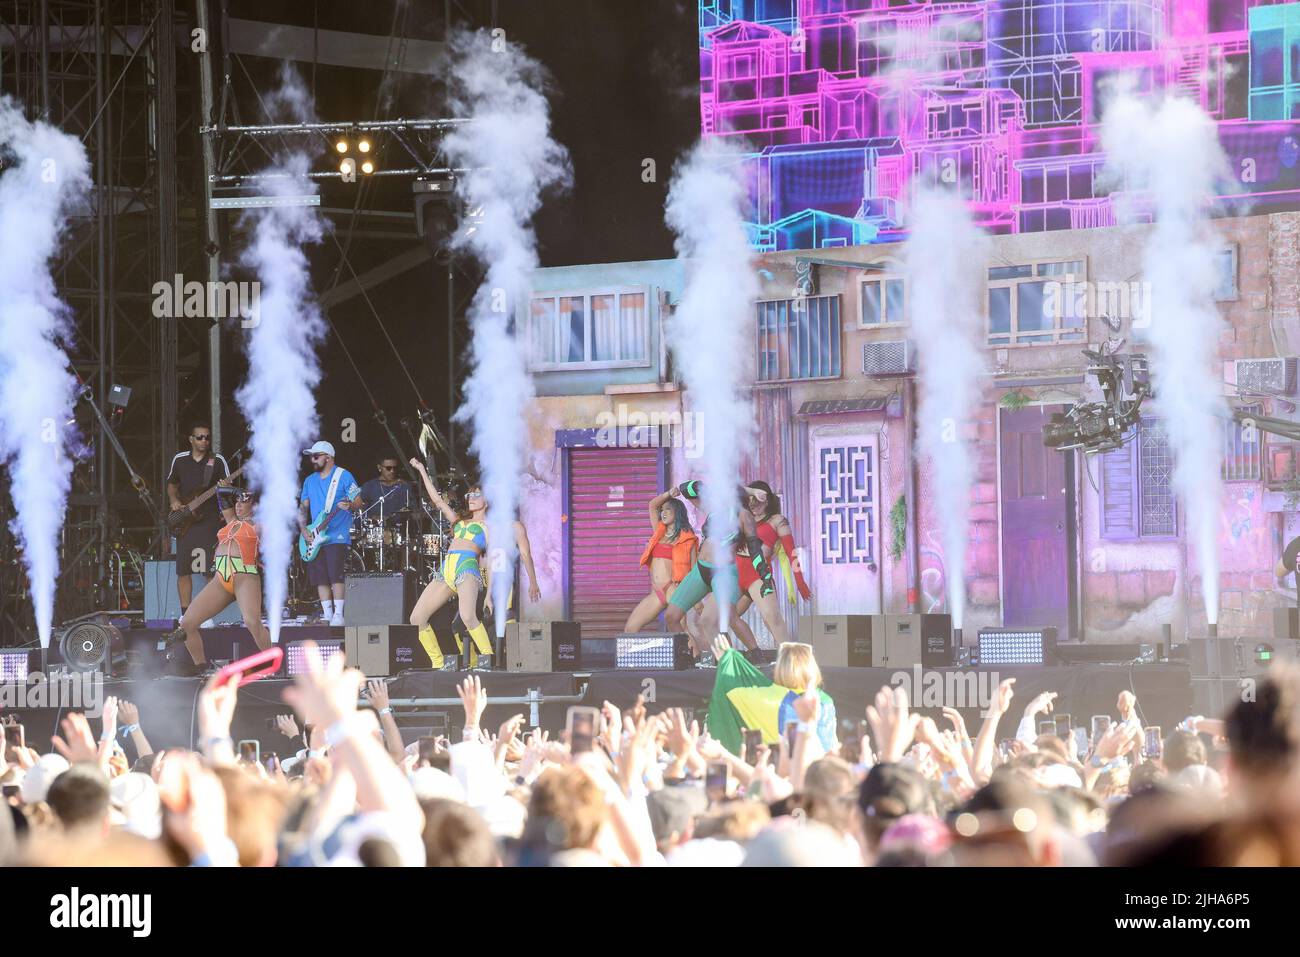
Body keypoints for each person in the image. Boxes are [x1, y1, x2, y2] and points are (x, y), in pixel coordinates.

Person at [407, 459, 541, 670]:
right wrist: (422, 471)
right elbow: (438, 501)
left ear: (487, 501)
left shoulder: (493, 526)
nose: (471, 498)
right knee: (417, 618)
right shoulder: (459, 521)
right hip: (446, 570)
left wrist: (490, 594)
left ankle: (486, 659)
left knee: (469, 616)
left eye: (476, 495)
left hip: (466, 569)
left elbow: (494, 561)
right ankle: (438, 663)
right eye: (469, 495)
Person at [663, 480, 777, 658]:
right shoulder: (713, 508)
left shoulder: (744, 515)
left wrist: (765, 577)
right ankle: (691, 656)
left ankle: (733, 660)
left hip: (724, 573)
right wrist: (675, 491)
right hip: (701, 570)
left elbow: (755, 550)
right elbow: (688, 488)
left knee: (710, 620)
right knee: (671, 617)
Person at [168, 485, 271, 675]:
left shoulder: (259, 524)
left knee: (252, 622)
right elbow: (221, 492)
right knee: (187, 624)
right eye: (237, 501)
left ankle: (272, 664)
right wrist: (236, 491)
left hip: (244, 575)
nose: (238, 505)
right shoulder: (231, 519)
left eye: (244, 502)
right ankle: (201, 667)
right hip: (221, 578)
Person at [698, 479, 811, 649]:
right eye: (751, 497)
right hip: (734, 574)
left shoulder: (777, 520)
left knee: (771, 617)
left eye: (760, 498)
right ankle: (735, 660)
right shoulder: (739, 517)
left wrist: (800, 582)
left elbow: (791, 553)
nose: (754, 502)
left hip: (757, 575)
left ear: (769, 500)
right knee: (712, 619)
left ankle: (791, 660)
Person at [165, 423, 230, 616]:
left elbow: (228, 487)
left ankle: (207, 615)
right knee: (183, 570)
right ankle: (185, 614)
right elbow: (171, 484)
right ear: (191, 439)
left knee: (209, 571)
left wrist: (224, 486)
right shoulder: (180, 459)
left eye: (207, 437)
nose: (204, 441)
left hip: (208, 521)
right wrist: (174, 500)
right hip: (186, 522)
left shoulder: (217, 461)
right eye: (199, 437)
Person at [298, 441, 361, 626]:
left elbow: (358, 501)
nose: (313, 459)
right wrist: (303, 529)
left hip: (337, 535)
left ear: (328, 457)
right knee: (320, 577)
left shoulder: (344, 476)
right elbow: (303, 507)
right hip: (315, 534)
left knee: (336, 574)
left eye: (316, 455)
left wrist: (350, 505)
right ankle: (327, 614)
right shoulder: (309, 480)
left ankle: (339, 614)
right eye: (311, 456)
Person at [623, 489, 699, 633]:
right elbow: (652, 505)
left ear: (677, 513)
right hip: (657, 592)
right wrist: (669, 494)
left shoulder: (688, 540)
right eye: (662, 510)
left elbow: (694, 571)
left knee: (682, 631)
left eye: (667, 510)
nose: (663, 513)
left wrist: (695, 599)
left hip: (674, 590)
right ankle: (627, 656)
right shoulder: (659, 532)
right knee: (630, 628)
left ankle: (694, 656)